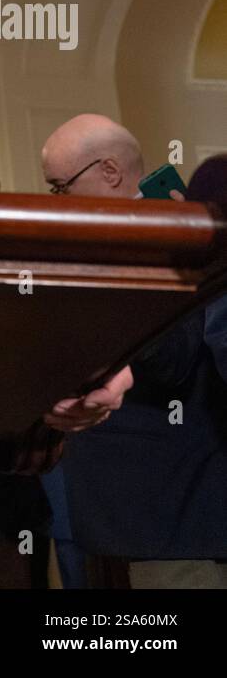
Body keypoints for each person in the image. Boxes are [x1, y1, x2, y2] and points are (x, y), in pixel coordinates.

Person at [42, 118, 226, 587]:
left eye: (61, 187)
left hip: (171, 523)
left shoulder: (174, 233)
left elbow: (175, 360)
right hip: (111, 522)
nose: (57, 202)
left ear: (108, 171)